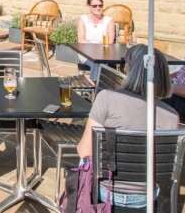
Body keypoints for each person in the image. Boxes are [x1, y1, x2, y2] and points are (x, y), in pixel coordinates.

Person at [76, 44, 179, 208]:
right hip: (146, 197)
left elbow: (84, 151)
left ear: (129, 69)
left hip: (106, 192)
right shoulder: (171, 115)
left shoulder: (107, 98)